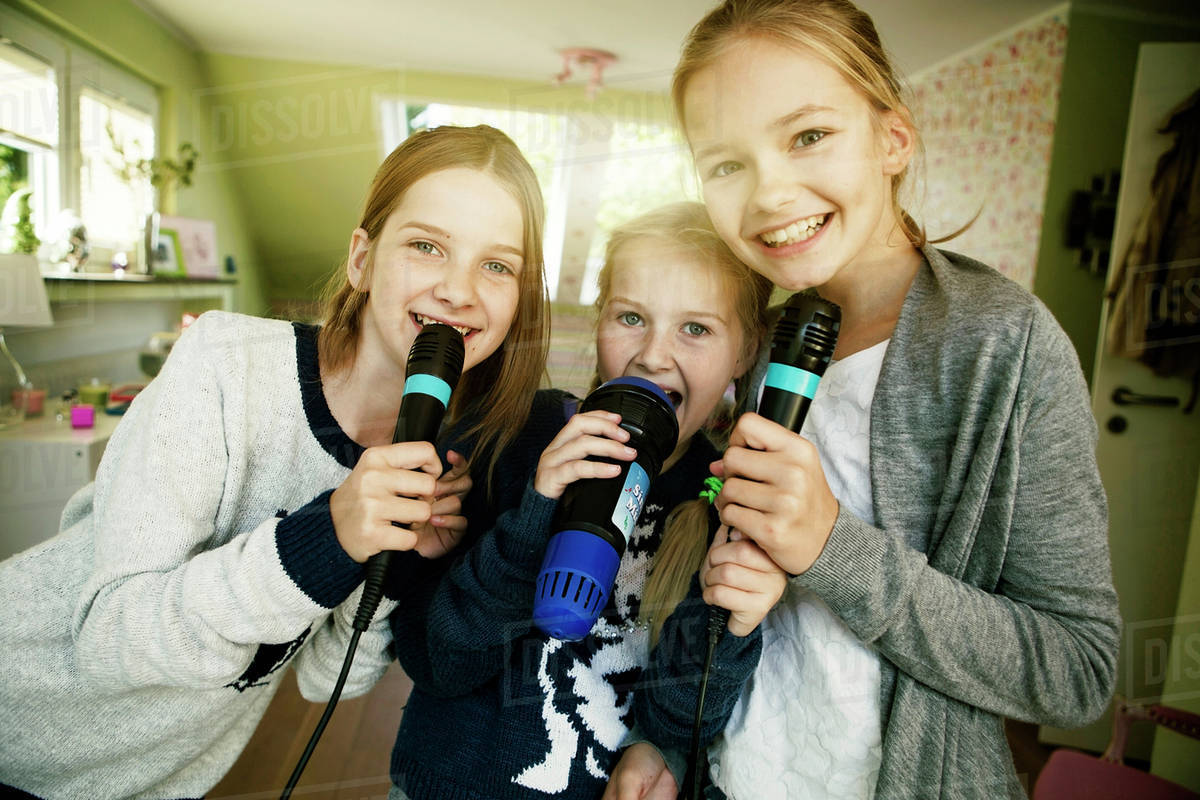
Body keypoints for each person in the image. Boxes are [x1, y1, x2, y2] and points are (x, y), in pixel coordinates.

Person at [604, 2, 1122, 799]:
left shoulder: (1002, 345)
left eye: (808, 136)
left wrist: (831, 548)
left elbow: (1076, 671)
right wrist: (666, 741)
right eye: (725, 163)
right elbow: (704, 593)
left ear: (892, 138)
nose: (771, 193)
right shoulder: (745, 348)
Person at [0, 124, 551, 800]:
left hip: (137, 783)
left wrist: (397, 562)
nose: (460, 291)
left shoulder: (438, 454)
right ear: (362, 258)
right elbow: (111, 636)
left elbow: (329, 678)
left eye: (497, 265)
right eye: (426, 246)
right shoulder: (224, 364)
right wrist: (328, 534)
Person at [384, 201, 781, 800]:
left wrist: (736, 626)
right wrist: (537, 509)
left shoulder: (727, 496)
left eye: (695, 329)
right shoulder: (519, 435)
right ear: (598, 321)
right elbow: (440, 660)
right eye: (630, 317)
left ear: (744, 352)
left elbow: (681, 718)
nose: (653, 355)